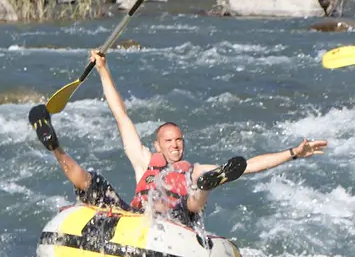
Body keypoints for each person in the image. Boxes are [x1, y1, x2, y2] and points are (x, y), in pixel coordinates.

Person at [28, 51, 327, 225]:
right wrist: (104, 71)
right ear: (158, 145)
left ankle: (210, 183)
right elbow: (120, 114)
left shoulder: (191, 168)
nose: (175, 145)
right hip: (134, 218)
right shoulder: (143, 159)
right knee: (92, 183)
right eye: (169, 141)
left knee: (193, 201)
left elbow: (250, 165)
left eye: (178, 140)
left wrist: (293, 153)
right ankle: (55, 147)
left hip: (174, 223)